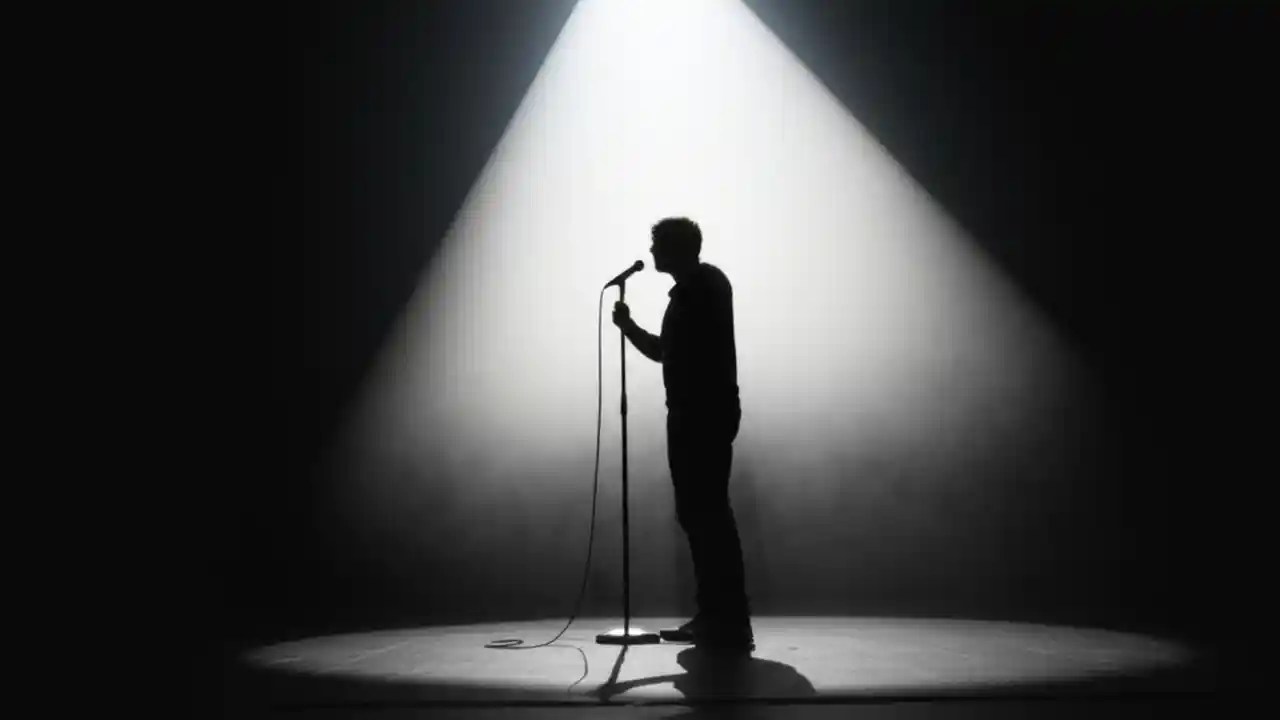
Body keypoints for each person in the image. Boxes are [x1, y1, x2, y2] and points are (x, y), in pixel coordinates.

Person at [612, 217, 753, 653]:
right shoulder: (692, 291)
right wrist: (629, 327)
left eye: (657, 245)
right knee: (699, 516)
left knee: (708, 515)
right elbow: (665, 352)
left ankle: (727, 620)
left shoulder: (704, 286)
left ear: (676, 248)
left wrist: (633, 329)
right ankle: (714, 614)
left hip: (703, 415)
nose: (650, 253)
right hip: (694, 414)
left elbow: (678, 352)